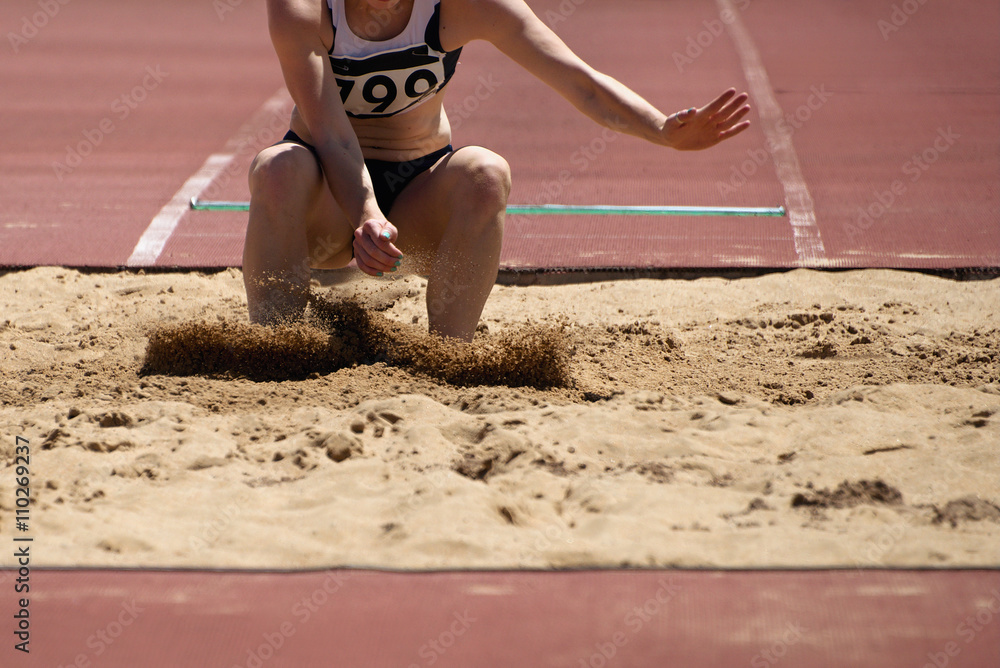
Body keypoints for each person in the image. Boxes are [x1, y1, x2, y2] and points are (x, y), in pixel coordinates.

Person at [244, 0, 751, 341]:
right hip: (327, 202)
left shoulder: (465, 5)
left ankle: (448, 354)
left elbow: (581, 81)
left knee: (486, 172)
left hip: (419, 194)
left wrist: (663, 130)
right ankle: (276, 347)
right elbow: (331, 135)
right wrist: (366, 211)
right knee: (276, 166)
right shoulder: (303, 8)